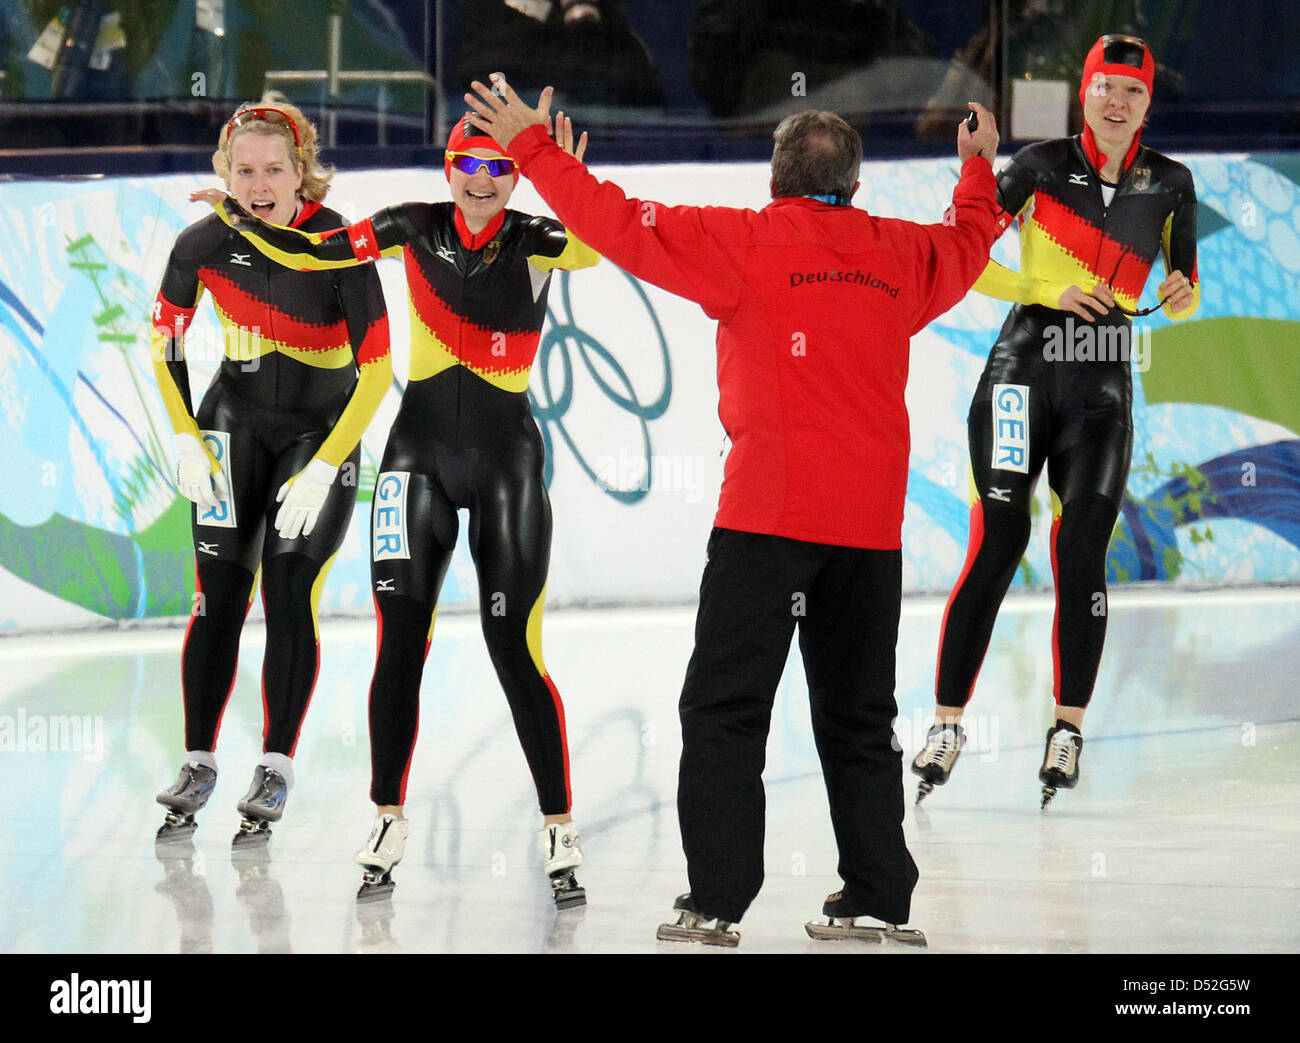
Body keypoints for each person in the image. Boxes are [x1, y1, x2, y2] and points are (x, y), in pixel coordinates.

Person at [465, 75, 1001, 944]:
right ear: (856, 188)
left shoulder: (742, 241)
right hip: (868, 533)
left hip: (766, 523)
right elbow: (970, 240)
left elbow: (615, 221)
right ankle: (874, 896)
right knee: (860, 717)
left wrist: (534, 149)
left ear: (775, 182)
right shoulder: (902, 256)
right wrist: (976, 170)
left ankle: (717, 901)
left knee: (724, 710)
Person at [198, 114, 600, 906]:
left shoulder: (538, 237)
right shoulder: (408, 227)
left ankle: (558, 823)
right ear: (446, 169)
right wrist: (241, 216)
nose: (481, 181)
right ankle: (387, 815)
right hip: (414, 461)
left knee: (513, 647)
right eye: (466, 165)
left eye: (499, 166)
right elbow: (312, 250)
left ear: (514, 175)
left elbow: (596, 244)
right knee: (399, 645)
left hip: (505, 466)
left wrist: (562, 176)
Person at [910, 35, 1199, 808]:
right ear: (1085, 92)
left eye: (1131, 92)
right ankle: (947, 721)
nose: (1116, 102)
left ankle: (1066, 727)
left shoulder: (1172, 183)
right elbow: (967, 255)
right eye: (1105, 86)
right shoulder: (1037, 166)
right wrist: (1043, 287)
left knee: (1081, 551)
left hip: (1101, 388)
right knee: (999, 539)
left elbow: (1186, 282)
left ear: (1147, 103)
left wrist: (1179, 294)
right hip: (1020, 375)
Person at [152, 99, 393, 844]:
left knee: (288, 587)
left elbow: (379, 369)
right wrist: (188, 436)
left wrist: (325, 467)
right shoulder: (201, 242)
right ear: (225, 173)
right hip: (235, 424)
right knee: (216, 595)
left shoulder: (339, 243)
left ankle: (277, 765)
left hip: (321, 434)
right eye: (245, 170)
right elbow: (164, 341)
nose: (260, 184)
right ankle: (197, 760)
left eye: (275, 170)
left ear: (303, 174)